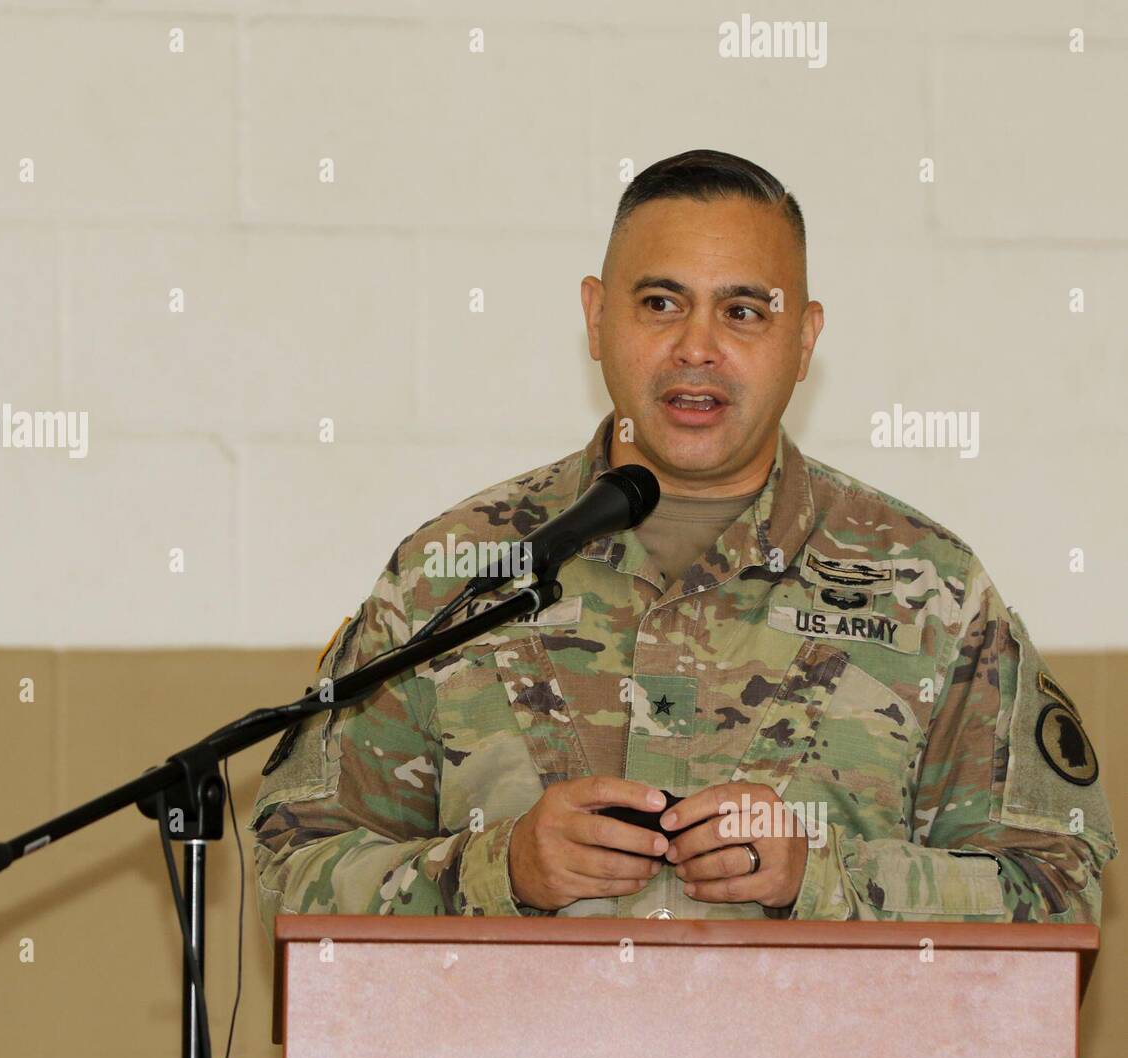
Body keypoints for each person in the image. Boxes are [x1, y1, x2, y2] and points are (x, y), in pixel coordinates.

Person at [249, 149, 1116, 932]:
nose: (696, 348)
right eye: (660, 303)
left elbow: (1060, 889)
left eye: (743, 312)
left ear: (804, 338)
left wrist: (824, 877)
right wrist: (495, 868)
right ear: (596, 319)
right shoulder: (454, 571)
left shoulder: (931, 590)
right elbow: (293, 863)